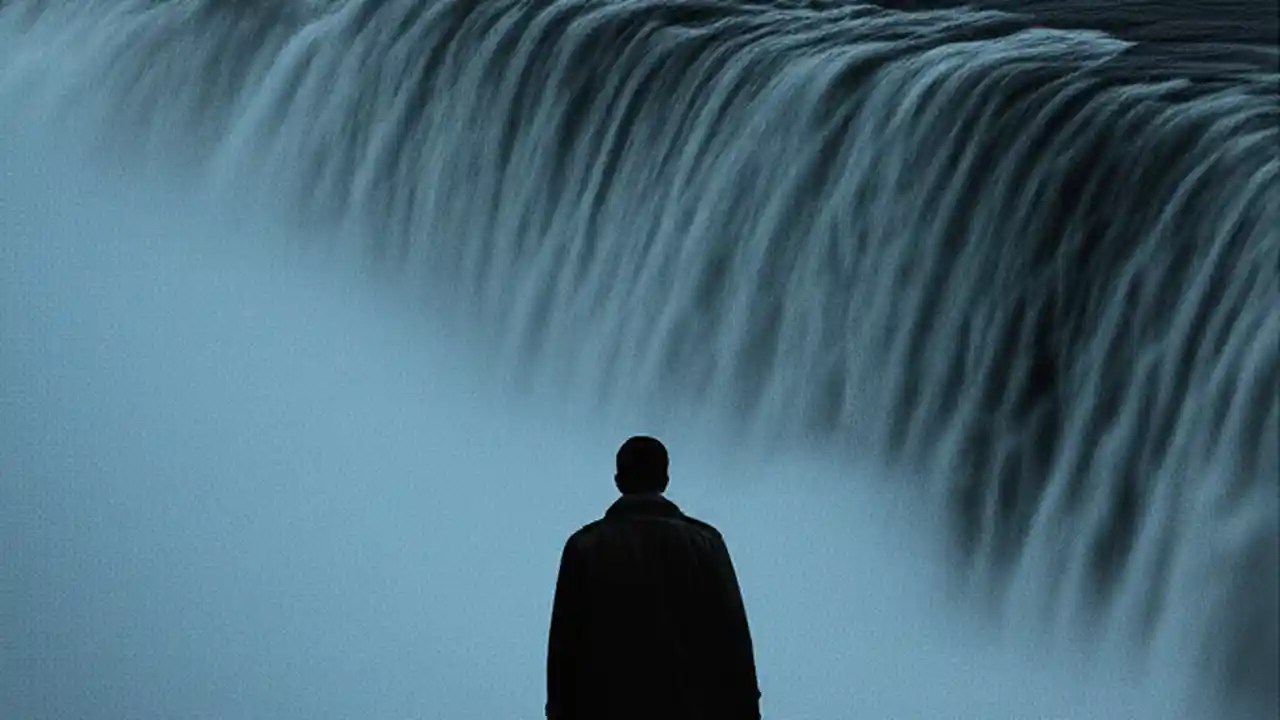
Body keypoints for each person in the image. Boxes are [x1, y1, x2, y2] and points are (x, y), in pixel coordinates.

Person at [545, 436, 761, 720]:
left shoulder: (583, 547)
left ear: (618, 481)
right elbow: (733, 641)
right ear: (665, 479)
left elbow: (564, 647)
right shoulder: (706, 543)